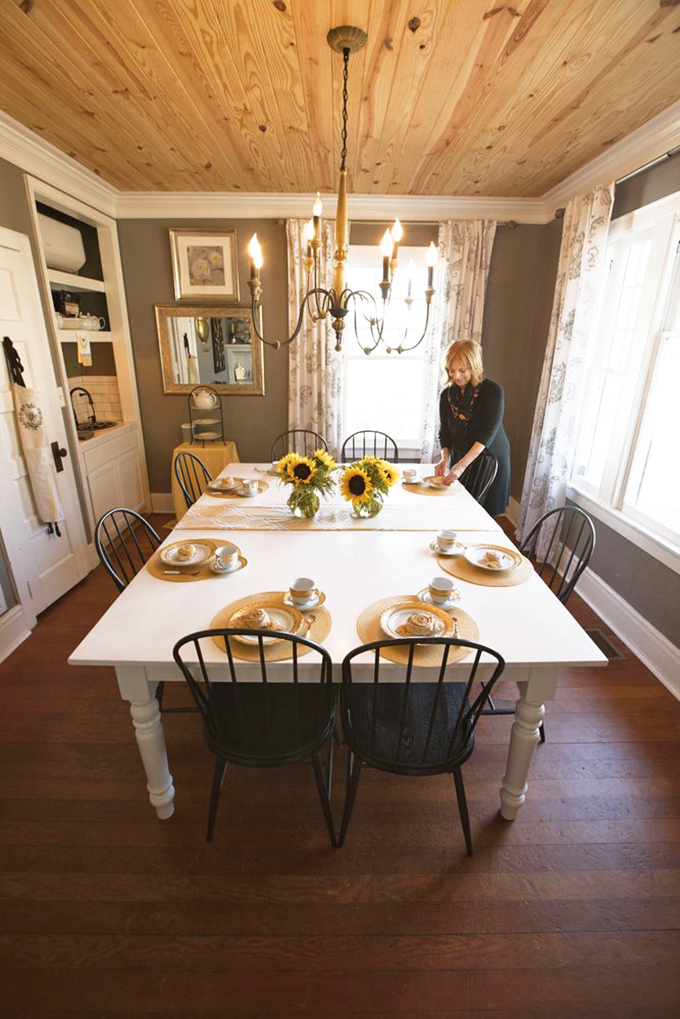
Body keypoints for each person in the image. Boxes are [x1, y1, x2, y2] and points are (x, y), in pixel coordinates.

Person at [434, 340, 510, 516]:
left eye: (462, 370)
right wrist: (444, 458)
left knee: (482, 514)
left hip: (489, 459)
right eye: (451, 370)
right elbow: (445, 432)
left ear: (474, 366)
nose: (456, 376)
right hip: (461, 457)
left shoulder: (492, 391)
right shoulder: (446, 396)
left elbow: (487, 435)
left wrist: (462, 465)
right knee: (459, 509)